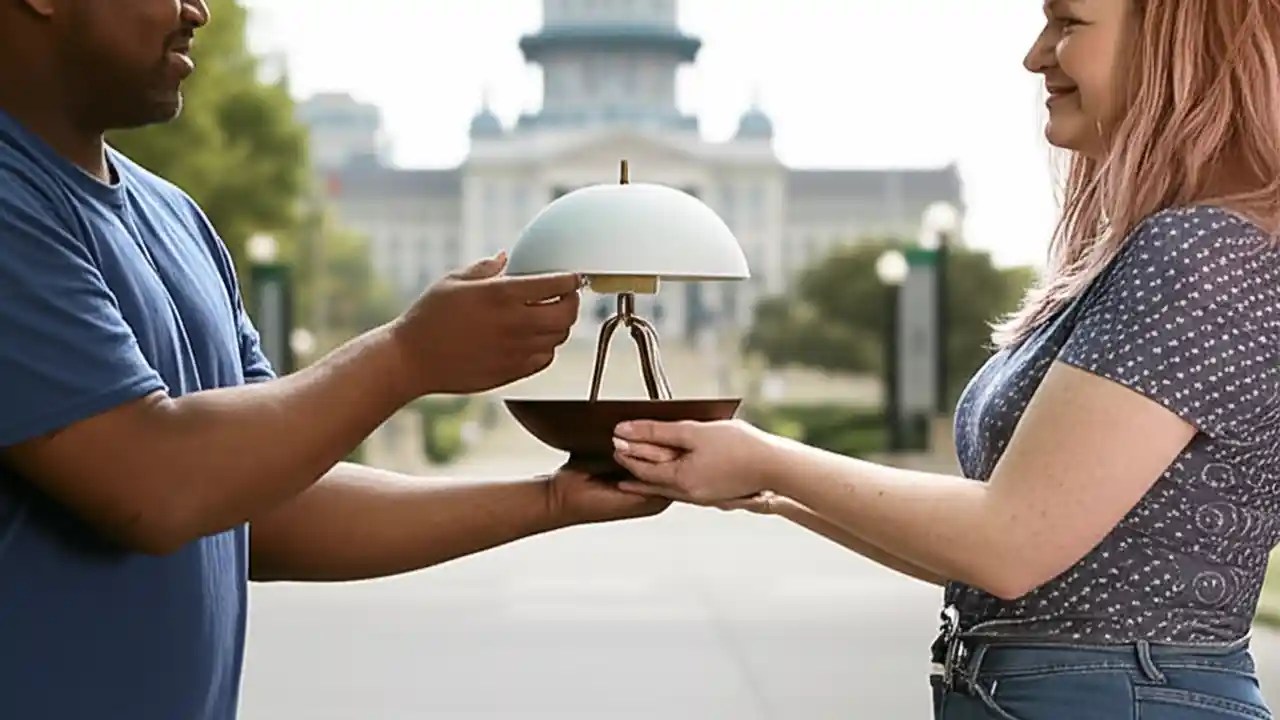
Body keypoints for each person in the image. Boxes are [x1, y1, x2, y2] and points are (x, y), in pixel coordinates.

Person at [0, 2, 669, 719]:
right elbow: (155, 483)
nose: (196, 9)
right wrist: (408, 356)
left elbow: (264, 502)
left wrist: (549, 498)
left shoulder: (176, 219)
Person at [611, 1, 1280, 718]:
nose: (1036, 54)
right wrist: (774, 495)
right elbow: (1008, 567)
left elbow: (1011, 543)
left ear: (1177, 40)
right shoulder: (1181, 247)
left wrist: (771, 459)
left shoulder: (1200, 252)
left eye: (1068, 23)